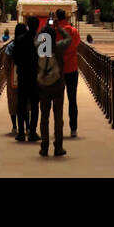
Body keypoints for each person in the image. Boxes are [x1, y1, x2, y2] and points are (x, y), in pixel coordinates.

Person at [36, 14, 70, 157]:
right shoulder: (59, 47)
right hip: (57, 84)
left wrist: (45, 28)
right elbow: (69, 39)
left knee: (44, 116)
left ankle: (44, 147)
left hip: (43, 85)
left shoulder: (39, 47)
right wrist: (58, 28)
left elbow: (37, 38)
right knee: (58, 116)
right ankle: (58, 147)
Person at [53, 8, 81, 138]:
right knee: (72, 99)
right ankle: (73, 128)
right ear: (66, 16)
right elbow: (76, 45)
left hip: (58, 69)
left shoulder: (54, 32)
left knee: (57, 100)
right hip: (71, 68)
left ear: (57, 18)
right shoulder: (73, 31)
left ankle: (58, 127)